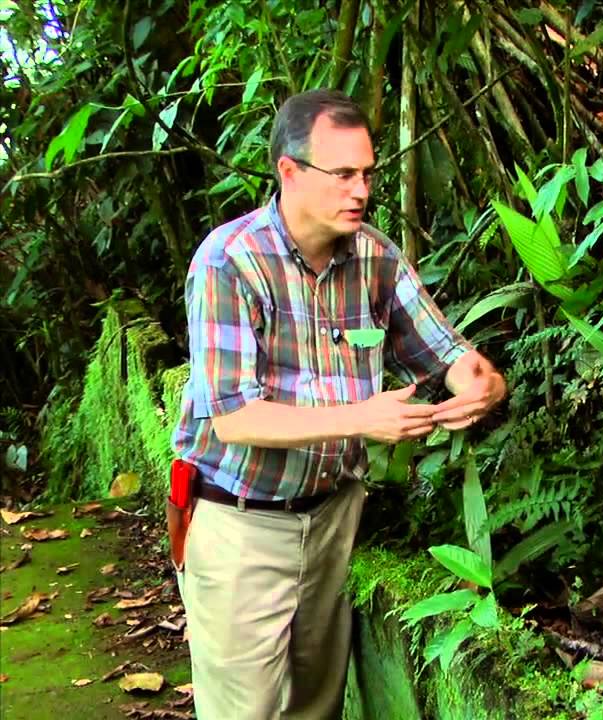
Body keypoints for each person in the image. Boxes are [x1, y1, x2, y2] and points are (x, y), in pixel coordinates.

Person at [170, 89, 506, 720]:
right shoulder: (230, 261)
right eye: (343, 173)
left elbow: (447, 352)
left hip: (332, 520)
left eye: (368, 174)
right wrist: (361, 417)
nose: (361, 190)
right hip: (240, 523)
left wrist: (478, 383)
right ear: (289, 172)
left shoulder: (374, 256)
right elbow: (233, 415)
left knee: (318, 708)